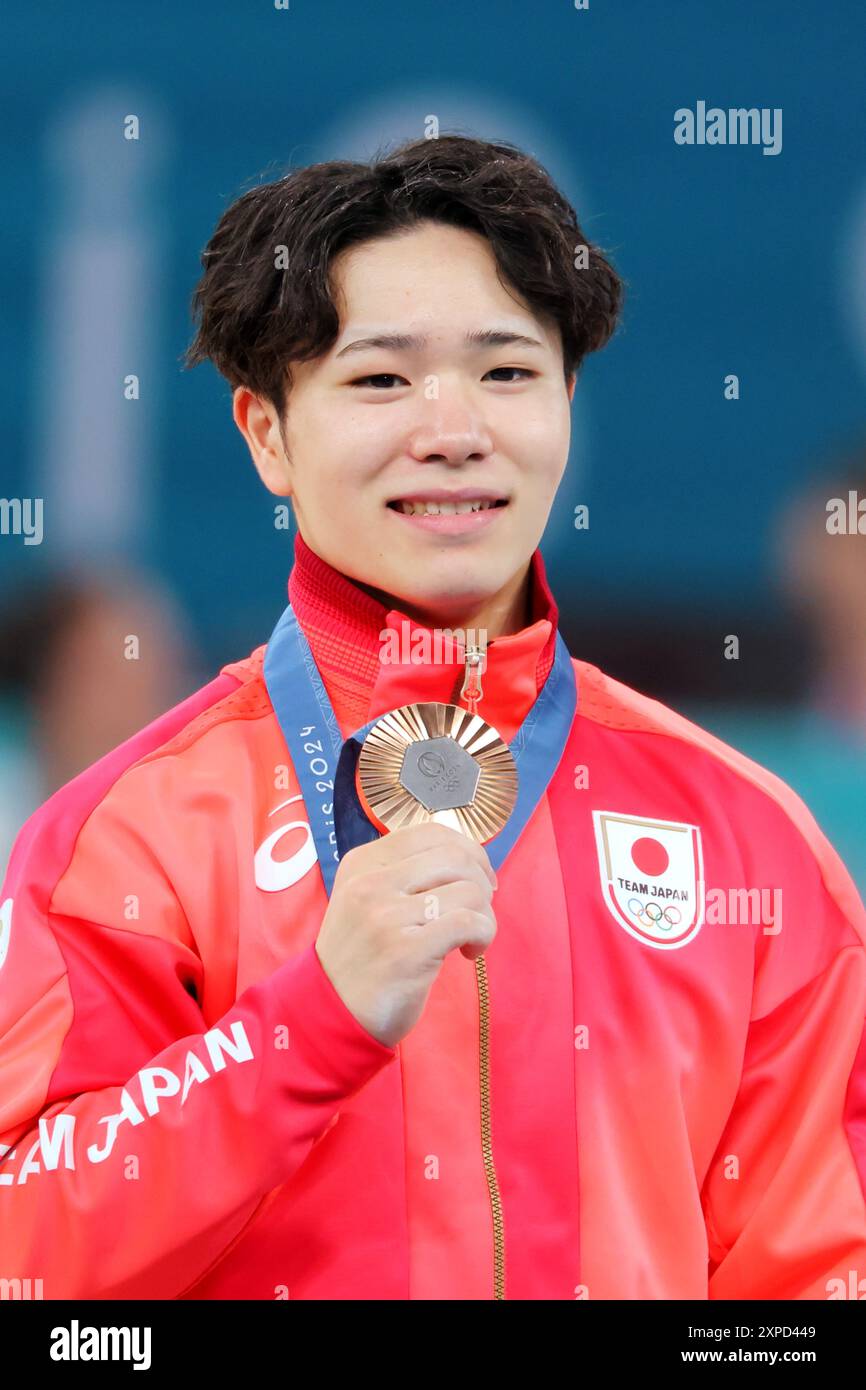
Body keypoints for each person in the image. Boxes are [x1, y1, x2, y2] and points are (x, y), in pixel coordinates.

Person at [1, 134, 864, 1302]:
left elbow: (811, 1276)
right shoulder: (123, 840)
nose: (452, 428)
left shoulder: (750, 841)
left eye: (506, 372)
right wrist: (308, 1024)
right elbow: (26, 1256)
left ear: (567, 402)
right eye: (380, 378)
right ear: (266, 434)